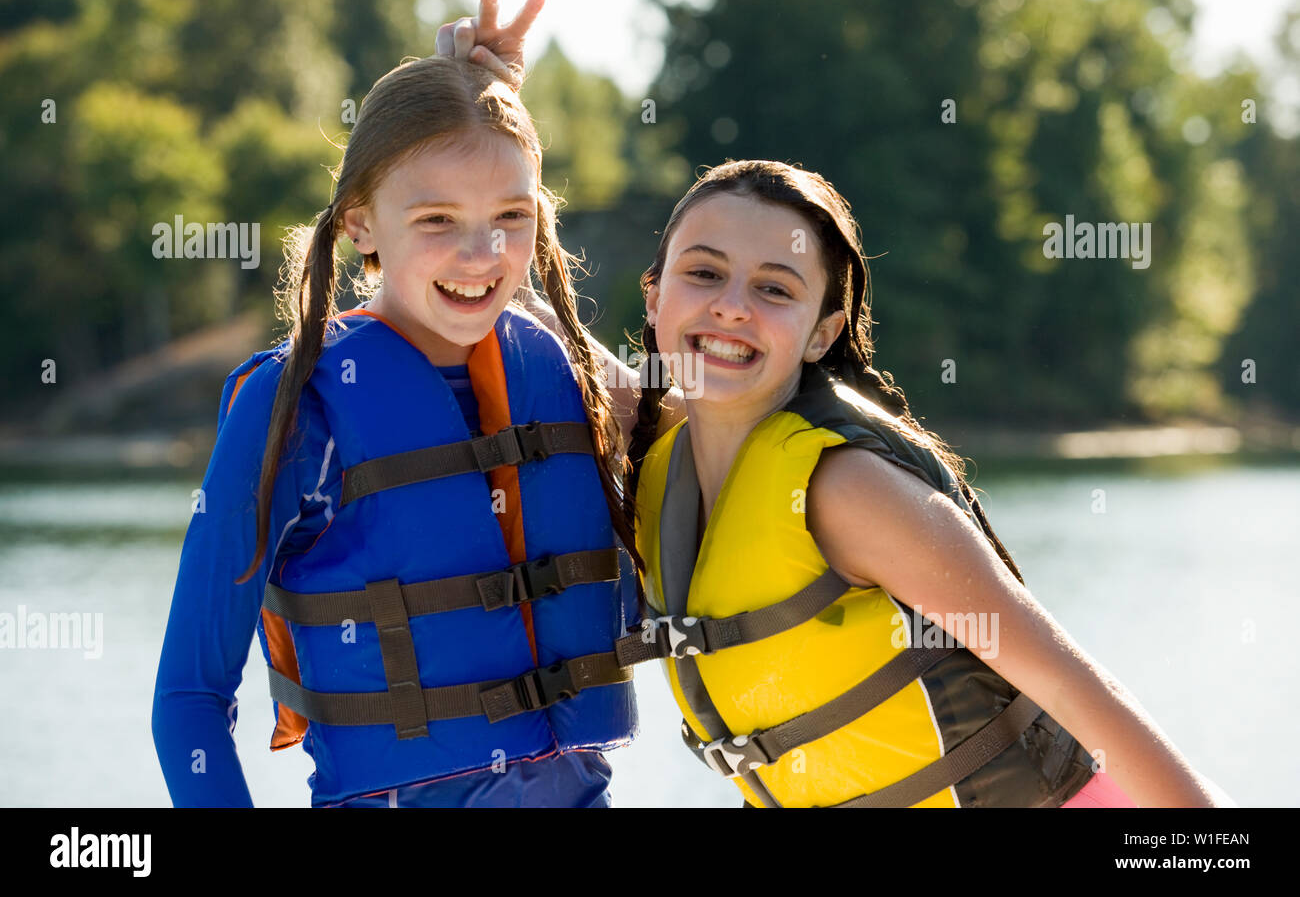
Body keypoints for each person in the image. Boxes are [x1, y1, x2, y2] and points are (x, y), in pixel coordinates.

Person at [620, 159, 1232, 807]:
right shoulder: (648, 448)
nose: (732, 307)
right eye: (705, 273)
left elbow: (1068, 686)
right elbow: (519, 293)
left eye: (775, 289)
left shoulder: (847, 488)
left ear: (822, 333)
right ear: (654, 292)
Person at [150, 45, 666, 807]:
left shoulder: (567, 376)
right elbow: (189, 701)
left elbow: (714, 448)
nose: (481, 253)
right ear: (361, 225)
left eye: (510, 216)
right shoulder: (297, 406)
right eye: (437, 218)